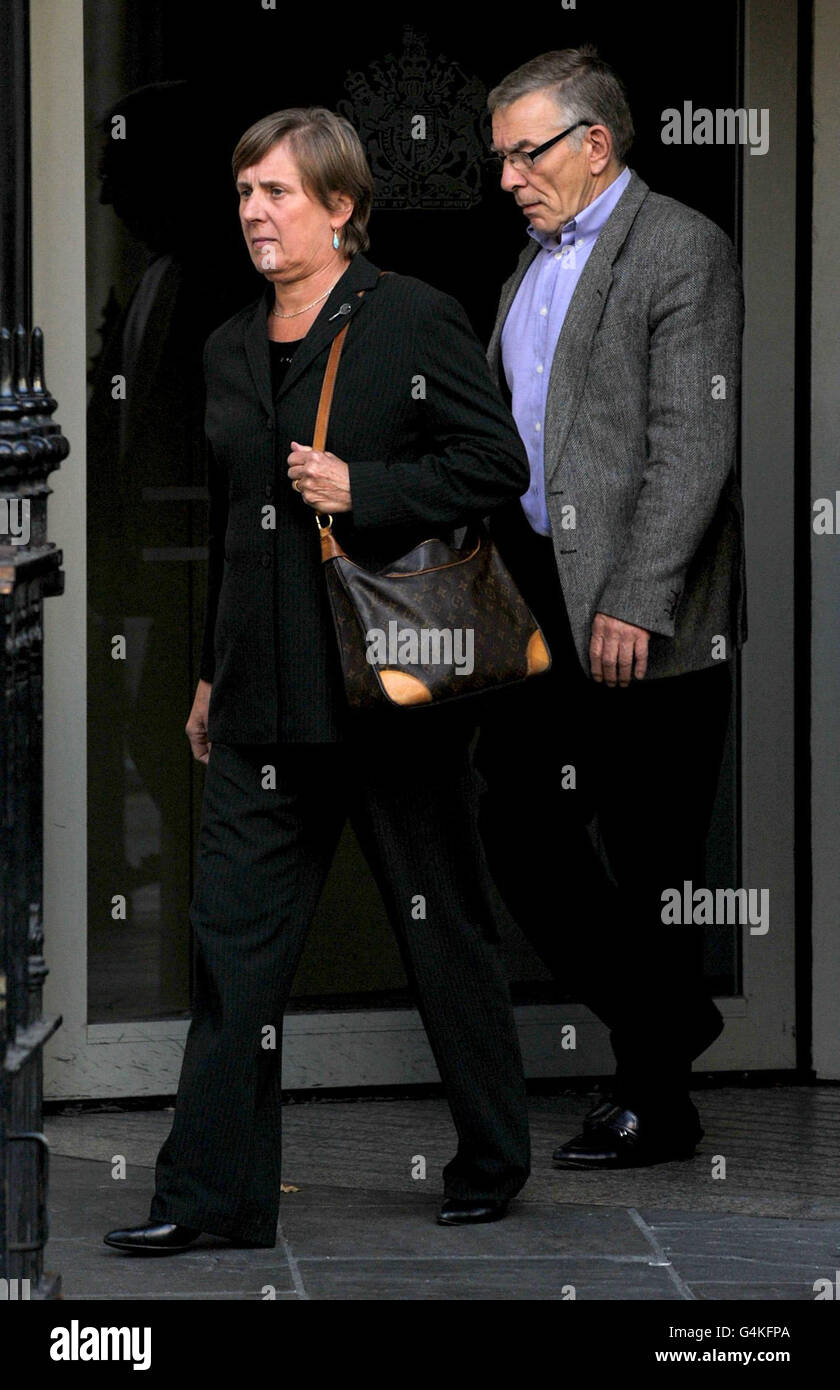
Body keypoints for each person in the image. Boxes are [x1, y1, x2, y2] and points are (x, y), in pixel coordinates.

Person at [104, 106, 532, 1253]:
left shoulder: (412, 320)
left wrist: (366, 487)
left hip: (389, 689)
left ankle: (493, 1156)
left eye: (277, 193)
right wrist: (207, 674)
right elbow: (239, 532)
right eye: (244, 194)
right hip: (261, 700)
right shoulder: (231, 343)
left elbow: (496, 463)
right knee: (232, 948)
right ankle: (212, 1195)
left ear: (342, 208)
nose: (253, 213)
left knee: (441, 933)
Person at [475, 45, 746, 1169]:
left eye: (523, 153)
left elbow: (693, 441)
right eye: (497, 158)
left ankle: (657, 1101)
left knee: (653, 856)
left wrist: (637, 598)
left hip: (645, 611)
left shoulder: (680, 248)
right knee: (520, 822)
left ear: (596, 144)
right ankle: (669, 1020)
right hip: (544, 596)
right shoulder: (529, 264)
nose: (505, 178)